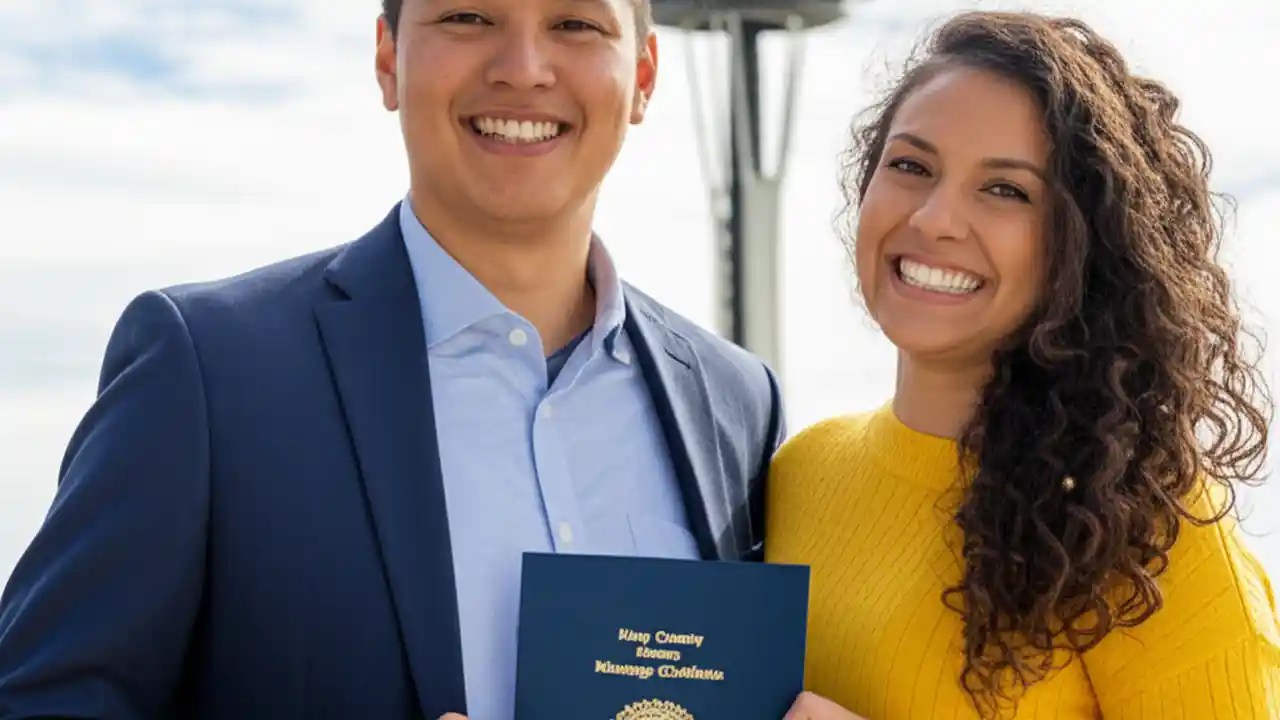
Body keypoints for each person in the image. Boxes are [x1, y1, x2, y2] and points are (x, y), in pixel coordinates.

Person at [0, 1, 785, 718]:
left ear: (642, 76)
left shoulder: (734, 404)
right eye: (469, 16)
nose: (522, 66)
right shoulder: (206, 371)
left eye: (575, 24)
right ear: (387, 59)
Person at [771, 11, 1278, 720]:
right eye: (911, 166)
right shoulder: (800, 473)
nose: (935, 219)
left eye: (1005, 190)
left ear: (1082, 245)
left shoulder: (1149, 529)